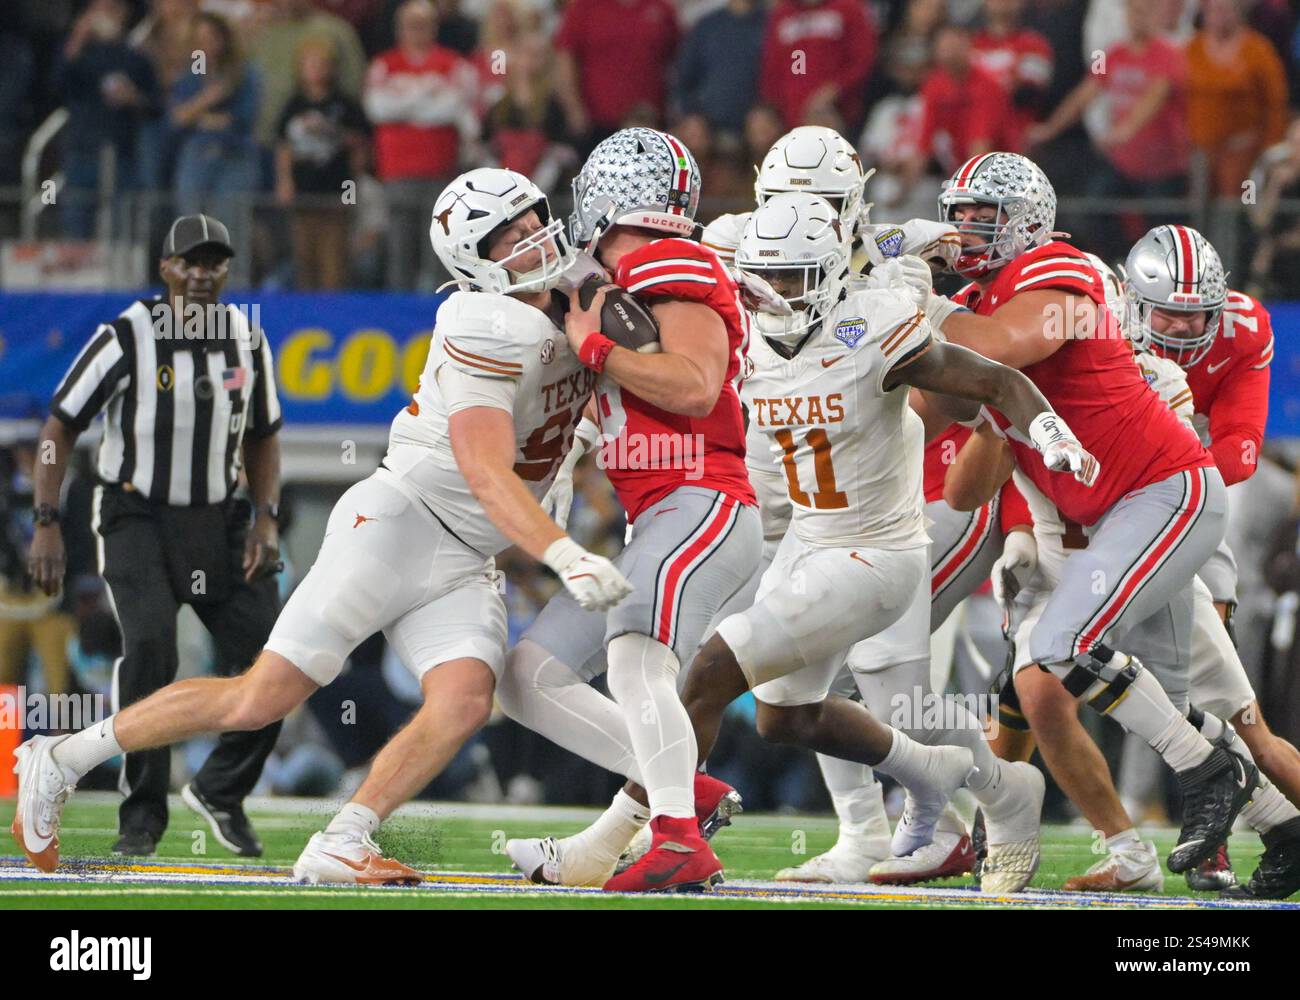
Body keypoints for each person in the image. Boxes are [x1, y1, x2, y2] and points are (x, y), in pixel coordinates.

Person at [12, 169, 632, 883]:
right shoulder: (484, 319)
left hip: (467, 557)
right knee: (258, 697)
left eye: (535, 221)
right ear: (474, 261)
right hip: (402, 524)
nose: (536, 239)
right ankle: (62, 758)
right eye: (513, 236)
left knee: (464, 701)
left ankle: (344, 837)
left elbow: (575, 402)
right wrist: (562, 551)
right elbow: (488, 469)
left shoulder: (572, 292)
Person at [924, 150, 1259, 883]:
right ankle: (1274, 821)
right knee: (1102, 676)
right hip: (1114, 522)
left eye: (985, 215)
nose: (964, 229)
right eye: (959, 214)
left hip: (1165, 490)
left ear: (1029, 222)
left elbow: (998, 349)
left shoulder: (1061, 273)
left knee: (1066, 647)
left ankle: (1207, 775)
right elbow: (947, 450)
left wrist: (911, 302)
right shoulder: (981, 307)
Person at [496, 127, 762, 892]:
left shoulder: (661, 261)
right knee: (526, 676)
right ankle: (684, 790)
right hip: (664, 515)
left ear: (607, 197)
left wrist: (593, 350)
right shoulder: (620, 277)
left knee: (636, 656)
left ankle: (677, 835)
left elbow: (692, 387)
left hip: (704, 500)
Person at [24, 214, 283, 858]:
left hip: (221, 520)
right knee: (150, 651)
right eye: (187, 262)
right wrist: (47, 522)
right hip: (138, 517)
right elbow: (60, 426)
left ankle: (222, 788)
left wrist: (268, 516)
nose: (201, 275)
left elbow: (264, 434)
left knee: (282, 655)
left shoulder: (248, 340)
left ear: (227, 270)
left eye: (214, 263)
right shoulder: (124, 338)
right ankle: (141, 817)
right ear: (164, 268)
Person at [364, 0, 479, 290]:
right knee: (399, 251)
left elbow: (453, 108)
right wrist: (427, 94)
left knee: (440, 251)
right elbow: (378, 109)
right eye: (410, 25)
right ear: (399, 28)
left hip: (441, 171)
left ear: (434, 27)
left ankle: (439, 315)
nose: (416, 31)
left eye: (422, 25)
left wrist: (405, 101)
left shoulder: (453, 63)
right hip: (397, 171)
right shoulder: (384, 64)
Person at [274, 38, 370, 289]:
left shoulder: (345, 103)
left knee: (334, 256)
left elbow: (360, 144)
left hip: (336, 192)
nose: (316, 70)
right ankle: (306, 308)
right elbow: (283, 146)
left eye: (322, 64)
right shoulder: (294, 104)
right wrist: (285, 182)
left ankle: (333, 306)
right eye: (310, 64)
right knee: (304, 255)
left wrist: (353, 186)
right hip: (304, 192)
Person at [1186, 0, 1288, 198]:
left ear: (1238, 12)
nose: (1219, 16)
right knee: (1196, 209)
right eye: (1214, 10)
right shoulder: (1191, 49)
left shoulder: (1259, 50)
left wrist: (1269, 148)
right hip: (1199, 150)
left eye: (1225, 9)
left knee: (1232, 212)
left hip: (1243, 150)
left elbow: (1275, 104)